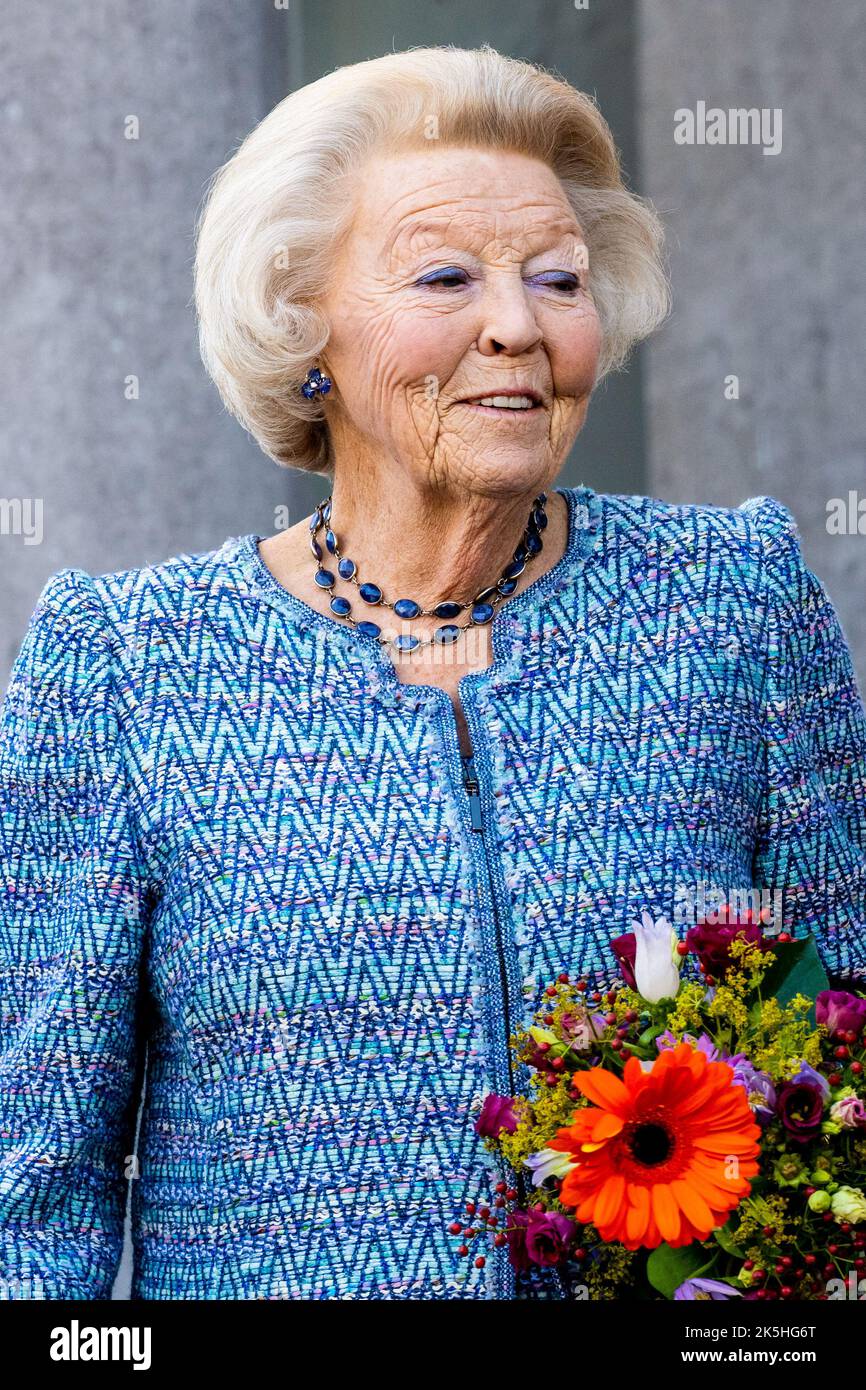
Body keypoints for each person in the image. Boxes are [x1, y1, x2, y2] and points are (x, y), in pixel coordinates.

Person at [1, 44, 864, 1302]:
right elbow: (30, 1197)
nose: (516, 324)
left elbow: (841, 1067)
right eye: (445, 276)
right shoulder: (130, 663)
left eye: (557, 279)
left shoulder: (732, 603)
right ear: (307, 330)